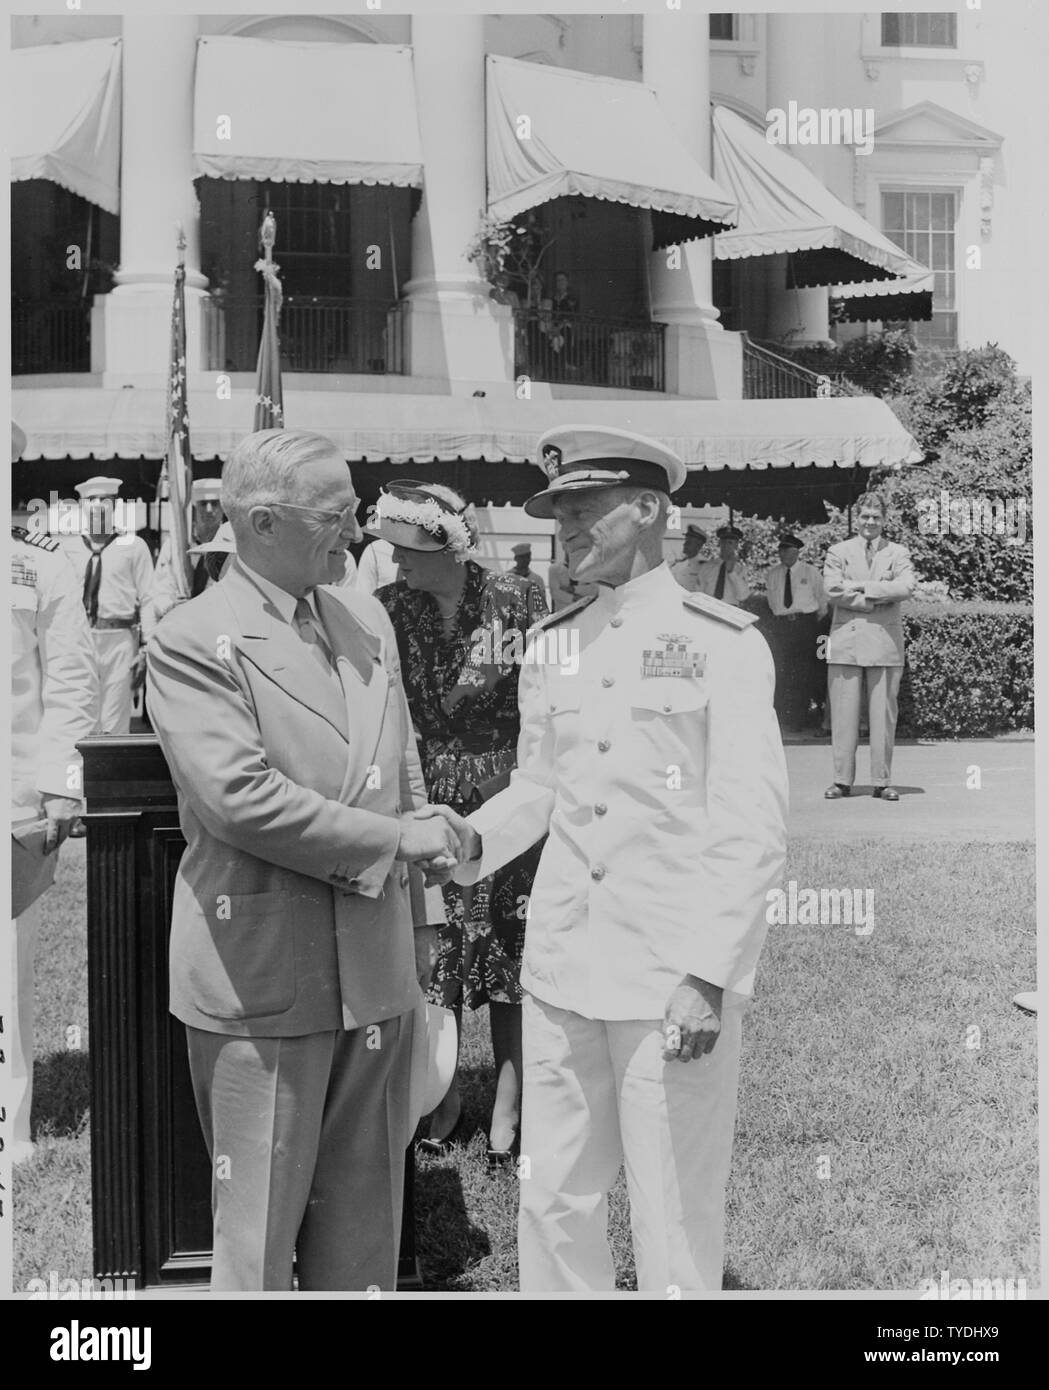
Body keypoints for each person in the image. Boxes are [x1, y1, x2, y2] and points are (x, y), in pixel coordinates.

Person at [430, 426, 788, 1292]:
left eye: (585, 511)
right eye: (559, 515)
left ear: (649, 510)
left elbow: (752, 826)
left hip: (667, 970)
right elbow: (540, 785)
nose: (567, 529)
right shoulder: (554, 639)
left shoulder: (723, 640)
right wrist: (473, 838)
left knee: (671, 1205)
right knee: (553, 1197)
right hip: (561, 962)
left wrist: (708, 975)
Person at [145, 428, 458, 1291]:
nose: (356, 533)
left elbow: (402, 770)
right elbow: (239, 801)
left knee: (364, 1230)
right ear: (260, 523)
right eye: (338, 514)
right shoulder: (190, 639)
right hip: (264, 979)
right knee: (258, 1232)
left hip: (377, 969)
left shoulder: (364, 616)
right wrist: (397, 843)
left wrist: (422, 927)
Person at [374, 482, 548, 1164]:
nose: (397, 564)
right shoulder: (386, 610)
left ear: (449, 546)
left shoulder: (521, 600)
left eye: (409, 551)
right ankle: (436, 1094)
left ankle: (509, 1107)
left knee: (511, 954)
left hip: (508, 796)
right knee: (434, 953)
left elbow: (545, 700)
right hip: (425, 798)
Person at [10, 420, 100, 1164]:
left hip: (10, 799)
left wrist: (61, 788)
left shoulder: (39, 565)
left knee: (9, 966)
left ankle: (8, 1130)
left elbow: (72, 680)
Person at [823, 493, 915, 801]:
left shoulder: (898, 552)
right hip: (846, 641)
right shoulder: (838, 551)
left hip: (885, 644)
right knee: (843, 715)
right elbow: (832, 589)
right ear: (856, 518)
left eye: (876, 517)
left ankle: (881, 780)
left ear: (884, 520)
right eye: (865, 516)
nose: (870, 522)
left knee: (883, 716)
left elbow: (905, 587)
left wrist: (862, 587)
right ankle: (841, 780)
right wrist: (877, 599)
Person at [68, 476, 154, 734]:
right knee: (82, 718)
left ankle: (111, 774)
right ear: (82, 507)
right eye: (91, 500)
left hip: (119, 642)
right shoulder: (67, 547)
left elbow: (149, 596)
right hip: (80, 640)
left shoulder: (134, 546)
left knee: (114, 722)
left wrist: (147, 646)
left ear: (115, 506)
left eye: (104, 500)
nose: (97, 506)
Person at [143, 477, 226, 634]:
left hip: (217, 629)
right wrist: (172, 605)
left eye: (214, 503)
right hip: (179, 628)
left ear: (223, 508)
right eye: (203, 504)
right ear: (195, 509)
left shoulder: (232, 546)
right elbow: (158, 592)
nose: (209, 510)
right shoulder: (174, 547)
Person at [764, 533, 829, 732]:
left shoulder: (810, 572)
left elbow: (822, 602)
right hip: (782, 627)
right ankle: (783, 716)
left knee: (803, 673)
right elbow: (771, 602)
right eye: (780, 549)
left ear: (796, 551)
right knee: (781, 671)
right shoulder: (773, 573)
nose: (782, 553)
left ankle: (800, 719)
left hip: (805, 625)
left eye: (786, 549)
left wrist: (811, 626)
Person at [693, 525, 752, 607]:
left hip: (730, 610)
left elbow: (742, 596)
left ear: (736, 545)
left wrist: (731, 572)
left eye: (730, 542)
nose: (726, 546)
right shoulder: (707, 567)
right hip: (708, 607)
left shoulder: (741, 569)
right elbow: (698, 592)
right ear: (719, 543)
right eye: (723, 542)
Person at [547, 545, 598, 611]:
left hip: (583, 613)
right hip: (562, 613)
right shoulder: (554, 569)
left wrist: (574, 589)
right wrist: (575, 598)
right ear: (564, 548)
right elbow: (555, 593)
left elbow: (594, 590)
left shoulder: (587, 569)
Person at [669, 523, 708, 592]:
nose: (685, 544)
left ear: (698, 545)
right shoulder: (676, 565)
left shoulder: (705, 567)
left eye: (689, 542)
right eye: (686, 540)